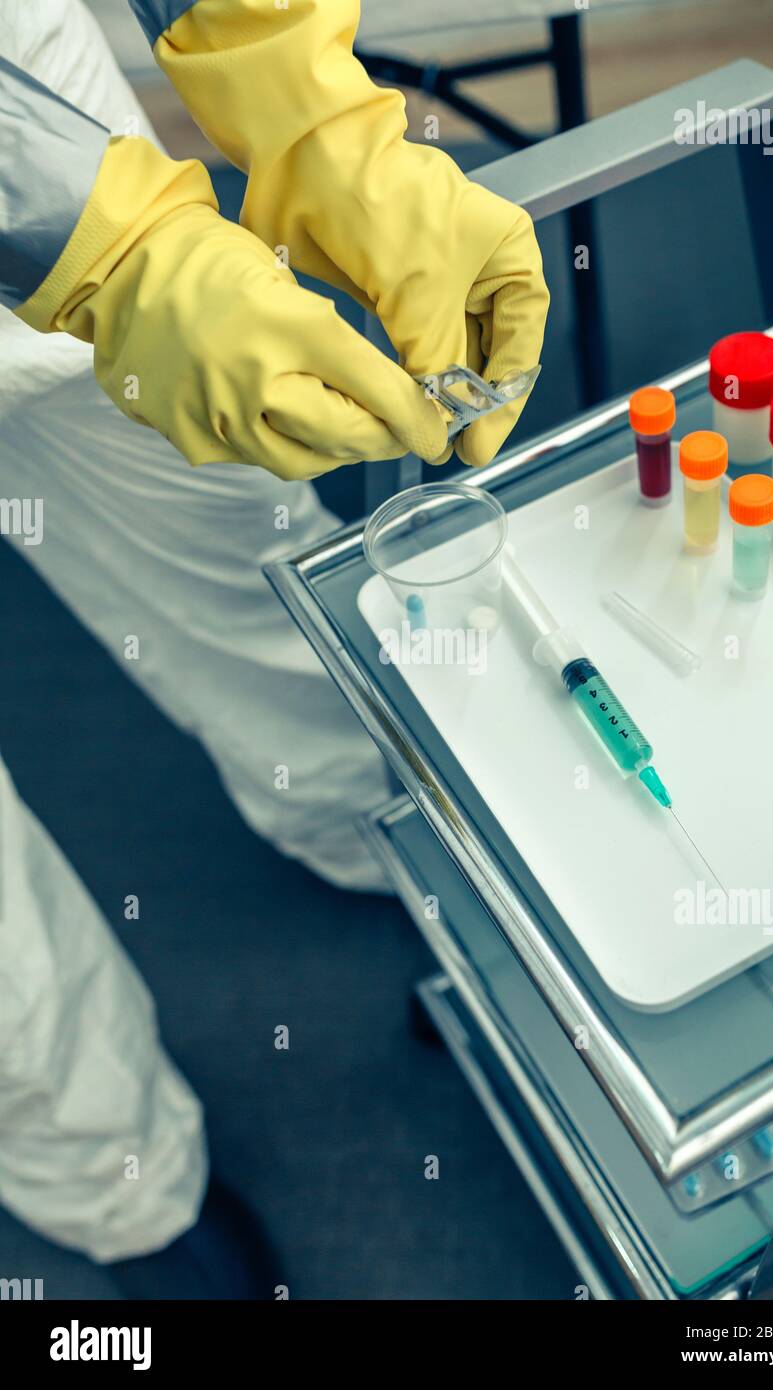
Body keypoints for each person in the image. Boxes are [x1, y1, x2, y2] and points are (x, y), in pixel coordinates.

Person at [0, 0, 548, 1297]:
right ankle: (115, 1177)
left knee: (233, 544)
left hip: (28, 110)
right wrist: (115, 248)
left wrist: (308, 104)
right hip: (57, 187)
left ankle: (379, 835)